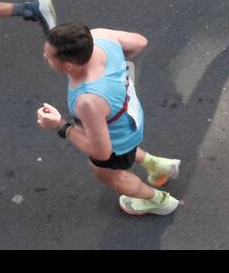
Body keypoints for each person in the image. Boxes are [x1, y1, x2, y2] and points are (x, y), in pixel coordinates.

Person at [37, 23, 181, 217]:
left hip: (118, 137)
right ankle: (158, 166)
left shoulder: (88, 100)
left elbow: (102, 152)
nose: (44, 56)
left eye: (49, 55)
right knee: (124, 150)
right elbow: (140, 42)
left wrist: (61, 126)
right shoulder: (99, 36)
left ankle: (159, 201)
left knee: (110, 175)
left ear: (69, 65)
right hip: (130, 117)